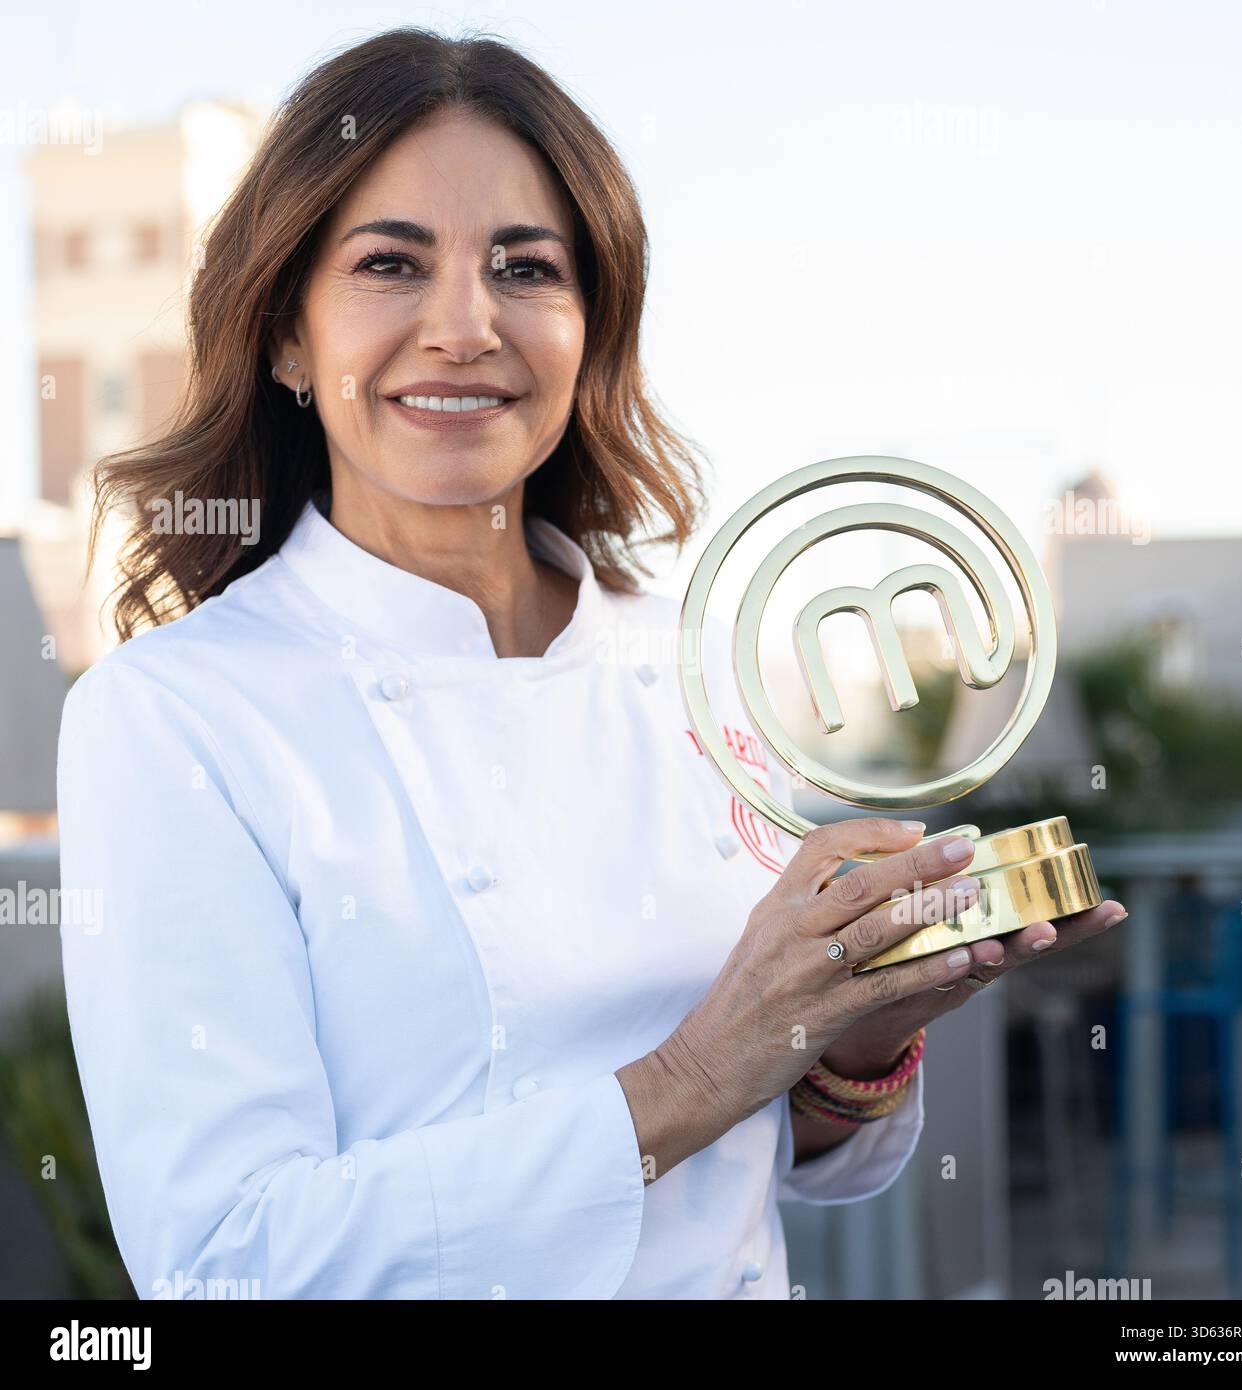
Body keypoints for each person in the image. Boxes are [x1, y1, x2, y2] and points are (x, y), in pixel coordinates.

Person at [56, 27, 1127, 1300]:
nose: (464, 325)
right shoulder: (177, 716)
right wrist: (700, 1069)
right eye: (390, 264)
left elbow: (771, 1156)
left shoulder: (692, 659)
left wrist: (858, 1033)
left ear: (589, 330)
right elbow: (227, 1264)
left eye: (526, 267)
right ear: (287, 338)